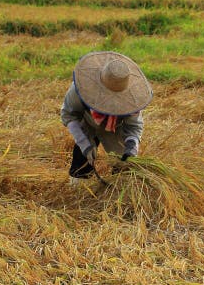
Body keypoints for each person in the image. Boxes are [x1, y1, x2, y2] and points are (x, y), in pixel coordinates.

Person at [60, 51, 153, 185]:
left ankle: (118, 192)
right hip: (86, 122)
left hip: (115, 127)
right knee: (81, 165)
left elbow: (134, 126)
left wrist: (132, 147)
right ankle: (79, 188)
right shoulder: (79, 89)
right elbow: (68, 114)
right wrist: (84, 144)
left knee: (123, 167)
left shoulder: (131, 100)